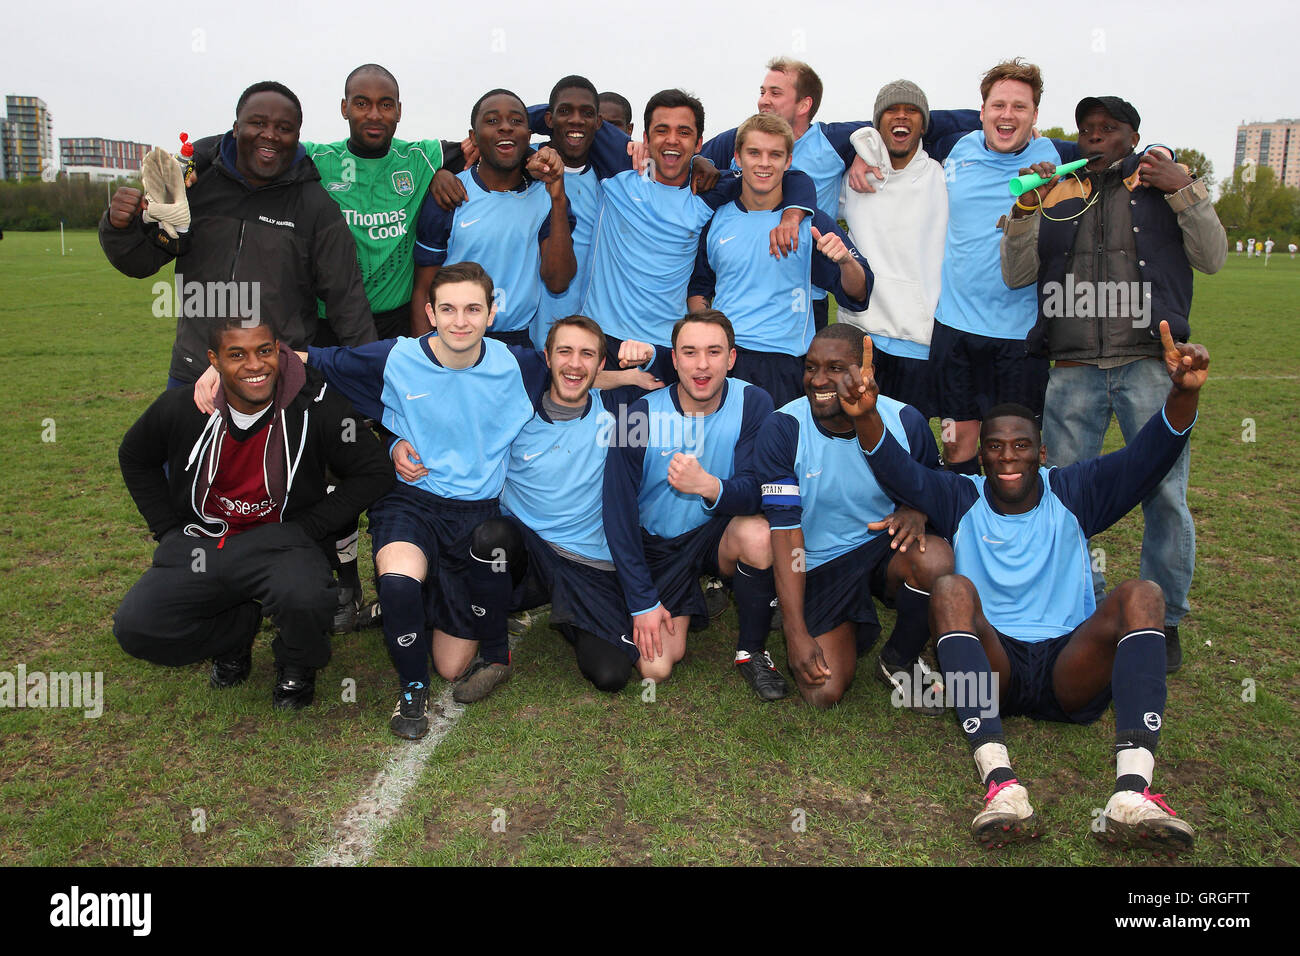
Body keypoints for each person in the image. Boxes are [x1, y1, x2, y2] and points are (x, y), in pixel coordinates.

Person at [845, 323, 1208, 853]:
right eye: (994, 447)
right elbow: (900, 473)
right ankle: (1001, 786)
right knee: (950, 589)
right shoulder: (958, 494)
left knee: (1144, 594)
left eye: (1021, 446)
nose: (1008, 456)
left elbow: (1146, 459)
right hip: (995, 671)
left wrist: (1182, 393)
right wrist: (866, 417)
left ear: (1042, 453)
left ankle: (1132, 794)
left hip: (1070, 667)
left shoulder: (1075, 491)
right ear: (982, 456)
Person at [1001, 95, 1226, 673]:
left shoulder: (1159, 185)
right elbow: (1016, 273)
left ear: (1132, 137)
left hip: (1149, 362)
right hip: (1072, 368)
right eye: (1087, 130)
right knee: (1066, 498)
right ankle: (1079, 609)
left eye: (1110, 129)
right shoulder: (1058, 192)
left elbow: (1215, 256)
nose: (1095, 138)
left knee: (1165, 495)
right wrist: (1027, 207)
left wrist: (1184, 188)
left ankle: (1164, 618)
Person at [303, 263, 552, 737]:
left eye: (473, 309)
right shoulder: (394, 358)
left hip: (474, 515)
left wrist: (636, 375)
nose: (461, 321)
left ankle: (431, 608)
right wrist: (217, 370)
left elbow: (579, 365)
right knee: (398, 582)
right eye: (449, 309)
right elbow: (312, 359)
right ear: (430, 313)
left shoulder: (517, 365)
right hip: (411, 502)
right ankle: (411, 694)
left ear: (491, 314)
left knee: (454, 667)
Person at [114, 317, 393, 709]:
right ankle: (234, 636)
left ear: (278, 349)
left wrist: (308, 528)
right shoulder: (186, 407)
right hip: (207, 543)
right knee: (138, 627)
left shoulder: (315, 404)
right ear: (214, 361)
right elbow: (134, 456)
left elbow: (374, 471)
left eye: (265, 351)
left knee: (307, 597)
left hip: (281, 543)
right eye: (236, 355)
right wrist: (168, 531)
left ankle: (296, 665)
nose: (255, 365)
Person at [304, 64, 471, 632]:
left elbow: (511, 129)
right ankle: (344, 578)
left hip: (399, 327)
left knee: (402, 451)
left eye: (386, 103)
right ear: (344, 106)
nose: (374, 113)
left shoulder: (422, 157)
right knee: (334, 457)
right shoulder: (317, 159)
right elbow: (251, 143)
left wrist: (448, 170)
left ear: (400, 110)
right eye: (363, 102)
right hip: (331, 327)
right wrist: (191, 164)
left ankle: (406, 573)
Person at [438, 317, 667, 694]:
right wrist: (396, 444)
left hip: (586, 561)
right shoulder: (516, 410)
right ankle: (496, 655)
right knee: (491, 538)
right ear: (546, 358)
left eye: (587, 354)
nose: (574, 364)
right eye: (565, 352)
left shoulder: (620, 410)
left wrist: (652, 354)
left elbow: (677, 379)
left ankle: (570, 615)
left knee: (610, 675)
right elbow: (452, 400)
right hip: (523, 556)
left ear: (601, 365)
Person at [99, 80, 376, 389]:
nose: (270, 134)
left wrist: (369, 379)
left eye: (284, 127)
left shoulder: (316, 206)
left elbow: (347, 302)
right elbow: (139, 261)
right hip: (192, 373)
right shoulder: (195, 186)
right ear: (235, 128)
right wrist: (119, 225)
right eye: (258, 123)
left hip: (274, 379)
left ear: (297, 136)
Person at [699, 58, 978, 330]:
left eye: (775, 93)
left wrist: (988, 118)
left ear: (804, 104)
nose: (763, 100)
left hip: (808, 297)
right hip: (743, 290)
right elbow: (693, 163)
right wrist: (699, 163)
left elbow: (905, 125)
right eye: (762, 92)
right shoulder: (736, 139)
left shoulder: (834, 140)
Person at [755, 324, 952, 709]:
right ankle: (834, 620)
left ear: (866, 372)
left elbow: (942, 485)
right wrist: (795, 633)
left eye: (835, 367)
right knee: (821, 692)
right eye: (811, 368)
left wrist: (918, 508)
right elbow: (787, 536)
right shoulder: (783, 428)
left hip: (883, 547)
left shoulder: (906, 420)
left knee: (936, 557)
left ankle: (899, 658)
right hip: (819, 563)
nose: (819, 379)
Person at [603, 311, 786, 700]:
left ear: (732, 358)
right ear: (674, 358)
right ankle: (682, 594)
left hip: (714, 533)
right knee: (657, 667)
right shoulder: (639, 416)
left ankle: (751, 651)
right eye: (690, 353)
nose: (702, 365)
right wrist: (641, 602)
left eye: (714, 352)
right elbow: (617, 515)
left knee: (759, 535)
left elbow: (759, 490)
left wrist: (709, 486)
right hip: (659, 545)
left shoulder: (754, 401)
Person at [581, 89, 816, 356]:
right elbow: (564, 112)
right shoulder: (623, 165)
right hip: (603, 336)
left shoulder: (709, 187)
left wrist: (792, 214)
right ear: (645, 138)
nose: (672, 140)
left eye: (683, 132)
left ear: (699, 142)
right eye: (661, 130)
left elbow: (792, 178)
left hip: (667, 346)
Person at [930, 60, 1075, 475]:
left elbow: (1116, 148)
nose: (1007, 116)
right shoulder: (956, 147)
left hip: (1019, 339)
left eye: (1019, 107)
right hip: (954, 331)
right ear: (981, 111)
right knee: (957, 451)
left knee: (1011, 457)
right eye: (998, 105)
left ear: (1035, 116)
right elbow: (902, 121)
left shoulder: (1056, 155)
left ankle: (1012, 536)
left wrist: (1162, 153)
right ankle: (960, 537)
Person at [688, 113, 868, 407]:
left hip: (786, 366)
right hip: (724, 362)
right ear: (737, 157)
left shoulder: (812, 222)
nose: (764, 163)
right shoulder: (716, 218)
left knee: (778, 452)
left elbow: (859, 292)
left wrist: (847, 262)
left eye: (775, 154)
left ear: (788, 161)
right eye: (754, 153)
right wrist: (703, 330)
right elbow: (699, 287)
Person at [410, 89, 575, 347]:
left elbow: (558, 281)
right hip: (454, 340)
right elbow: (423, 289)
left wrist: (557, 200)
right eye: (492, 121)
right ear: (473, 138)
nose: (505, 128)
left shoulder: (546, 197)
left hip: (515, 342)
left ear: (529, 136)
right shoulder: (450, 193)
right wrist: (422, 359)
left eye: (517, 121)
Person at [837, 80, 947, 420]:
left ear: (925, 124)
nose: (901, 117)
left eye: (912, 110)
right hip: (859, 337)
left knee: (908, 442)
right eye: (892, 110)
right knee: (853, 437)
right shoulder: (852, 179)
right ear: (877, 121)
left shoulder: (942, 177)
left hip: (916, 339)